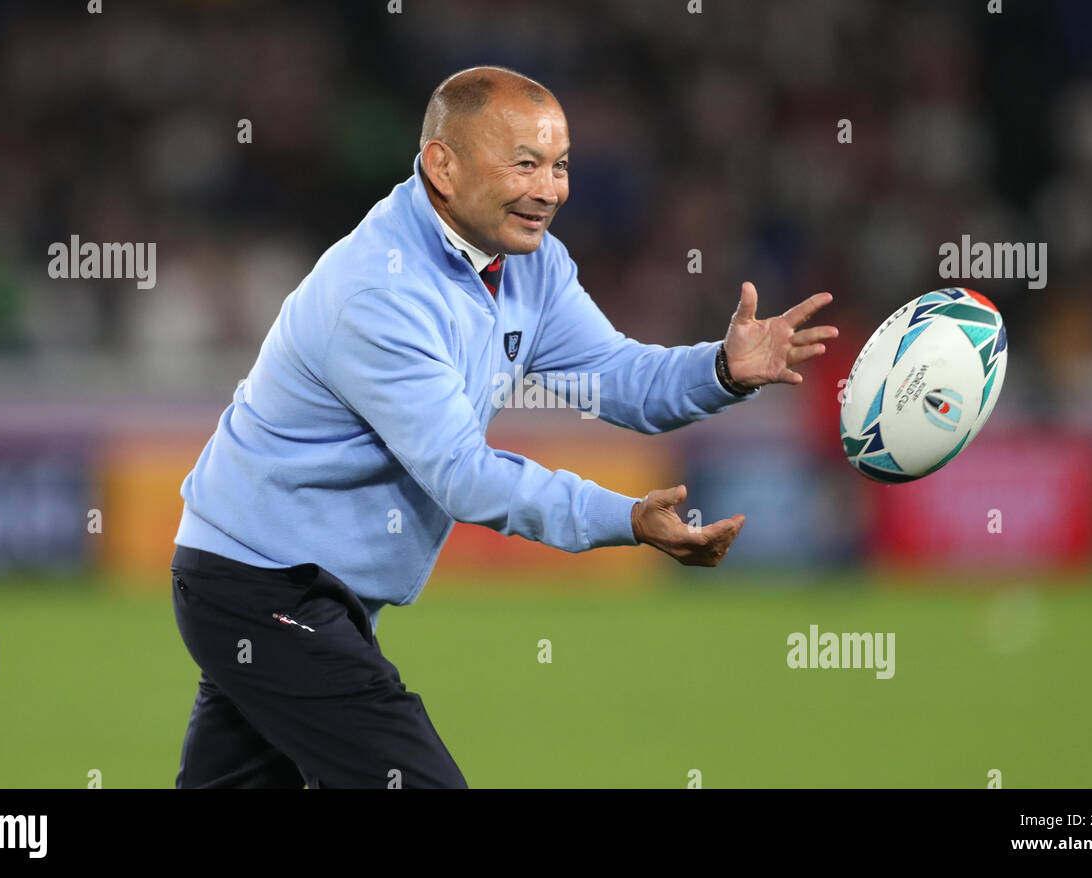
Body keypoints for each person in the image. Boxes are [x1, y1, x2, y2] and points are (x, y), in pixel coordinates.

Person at [169, 65, 838, 788]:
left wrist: (723, 370)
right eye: (525, 164)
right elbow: (463, 476)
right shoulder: (379, 292)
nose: (550, 189)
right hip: (260, 588)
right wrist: (628, 520)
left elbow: (613, 376)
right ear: (443, 165)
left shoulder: (530, 263)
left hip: (301, 593)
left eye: (560, 165)